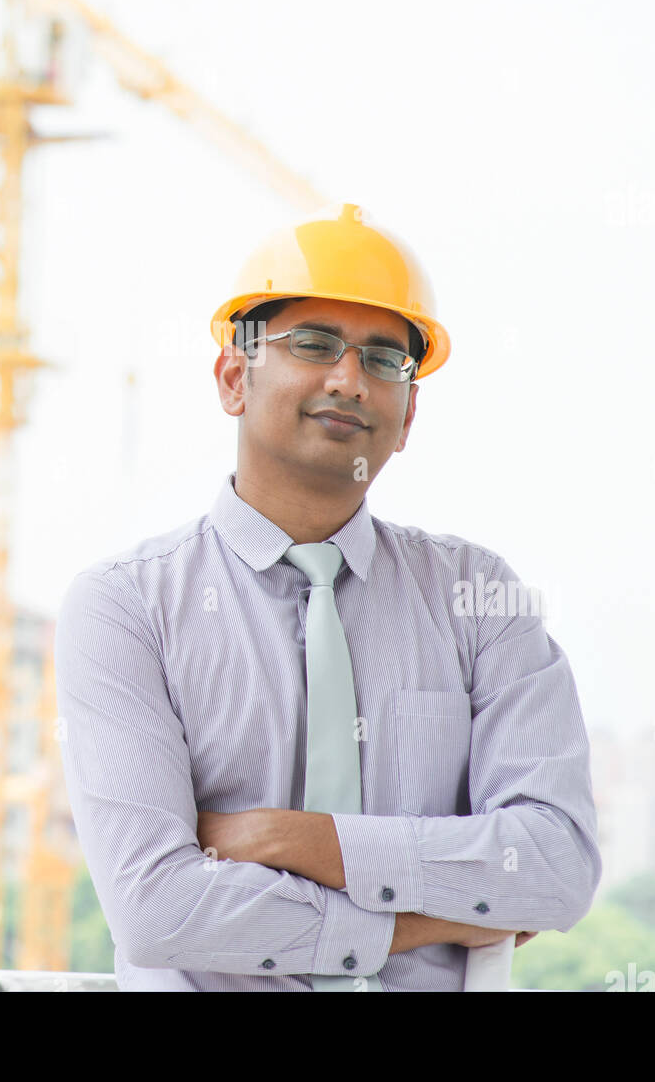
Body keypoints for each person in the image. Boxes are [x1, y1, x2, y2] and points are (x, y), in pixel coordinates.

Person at [55, 202, 601, 990]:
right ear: (234, 377)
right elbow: (157, 910)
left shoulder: (479, 600)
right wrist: (419, 919)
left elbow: (556, 867)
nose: (350, 379)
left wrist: (295, 840)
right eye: (314, 345)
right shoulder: (125, 608)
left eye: (385, 361)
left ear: (408, 413)